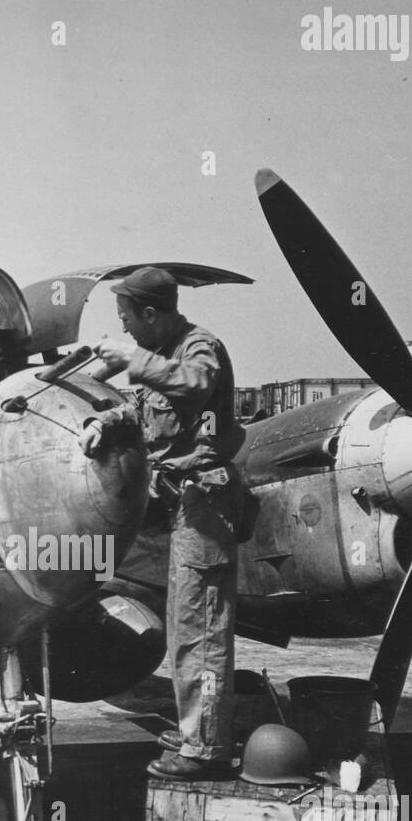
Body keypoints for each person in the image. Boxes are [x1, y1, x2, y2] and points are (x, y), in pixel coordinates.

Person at [78, 267, 240, 779]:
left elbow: (196, 386)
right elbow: (147, 409)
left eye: (128, 319)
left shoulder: (199, 348)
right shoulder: (164, 357)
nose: (125, 330)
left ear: (152, 314)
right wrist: (104, 420)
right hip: (181, 509)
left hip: (205, 506)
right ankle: (198, 730)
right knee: (184, 624)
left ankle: (205, 750)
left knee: (202, 630)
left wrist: (134, 361)